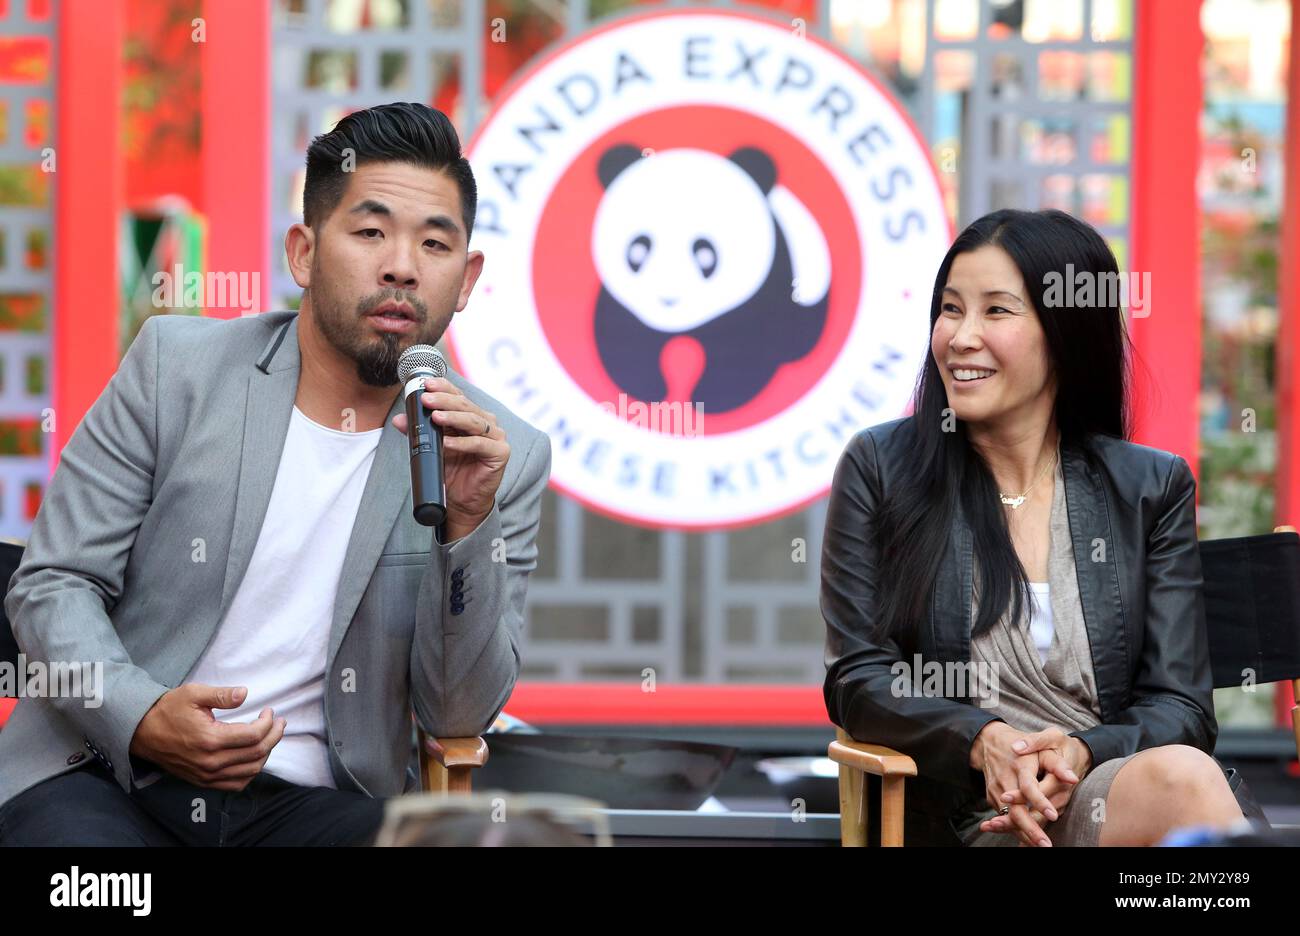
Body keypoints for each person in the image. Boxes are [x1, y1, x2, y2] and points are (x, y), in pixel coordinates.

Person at [0, 102, 552, 846]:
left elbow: (457, 716)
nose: (401, 265)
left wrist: (467, 525)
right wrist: (143, 715)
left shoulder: (493, 455)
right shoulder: (177, 372)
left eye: (435, 244)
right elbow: (53, 582)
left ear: (466, 277)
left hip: (314, 806)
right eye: (369, 232)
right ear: (303, 252)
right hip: (108, 775)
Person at [821, 208, 1264, 847]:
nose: (961, 337)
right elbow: (858, 680)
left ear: (1065, 333)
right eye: (950, 309)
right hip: (968, 816)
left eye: (996, 311)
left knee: (1184, 779)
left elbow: (1182, 707)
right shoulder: (882, 469)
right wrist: (982, 741)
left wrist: (1082, 752)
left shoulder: (1148, 487)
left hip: (1107, 798)